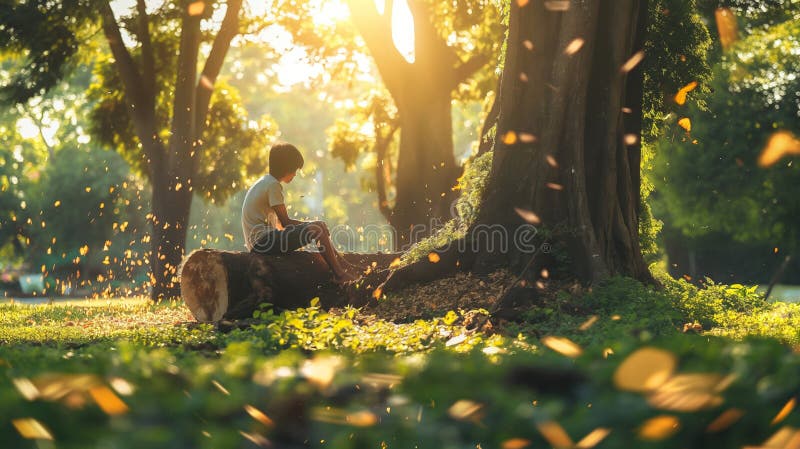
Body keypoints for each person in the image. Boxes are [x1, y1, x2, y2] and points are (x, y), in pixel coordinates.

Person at [241, 142, 361, 284]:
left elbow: (280, 225)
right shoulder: (273, 185)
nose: (295, 174)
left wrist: (311, 227)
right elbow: (286, 223)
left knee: (318, 227)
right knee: (317, 228)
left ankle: (345, 266)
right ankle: (339, 275)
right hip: (263, 243)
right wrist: (312, 226)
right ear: (286, 168)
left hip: (261, 242)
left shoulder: (265, 181)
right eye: (294, 170)